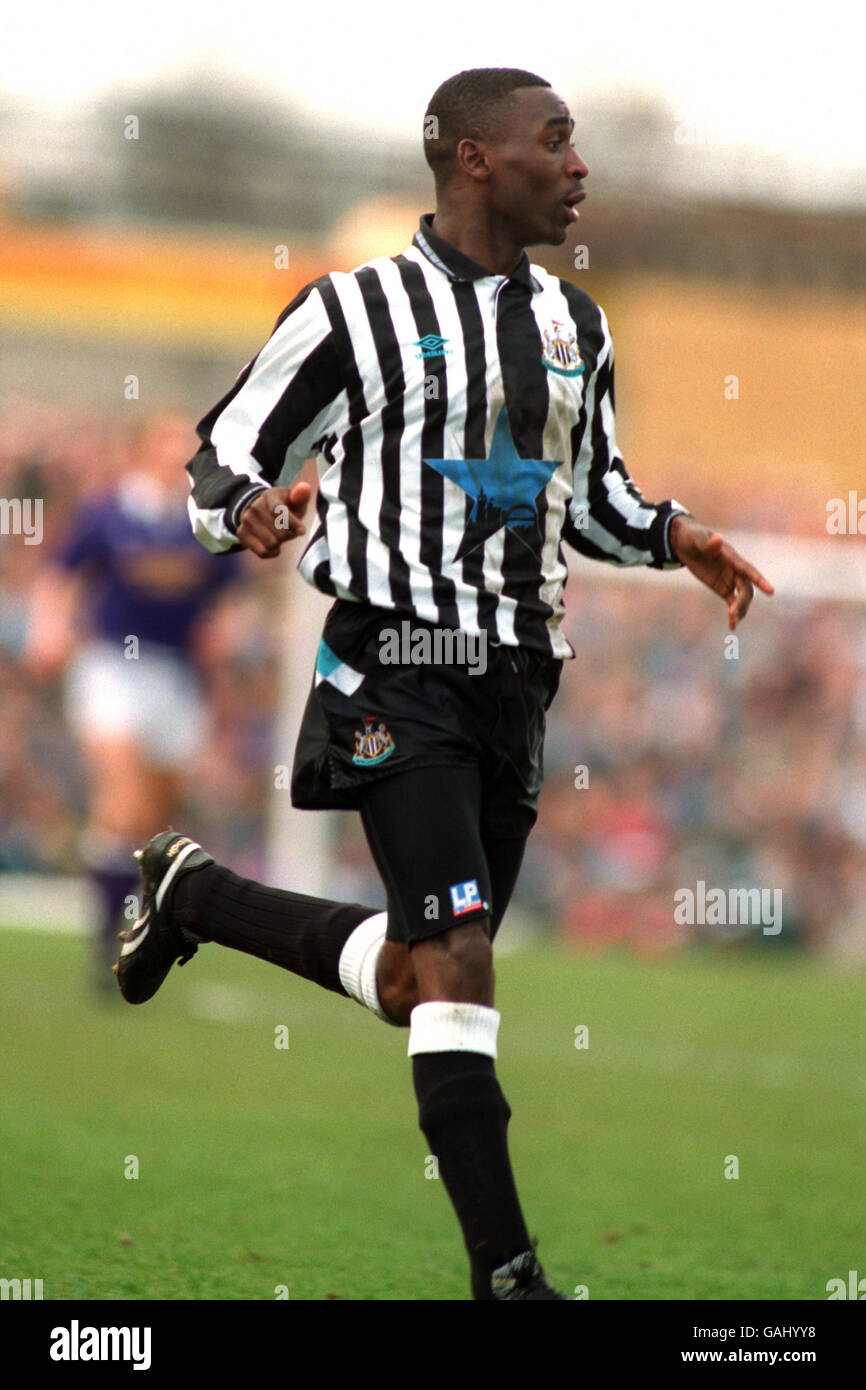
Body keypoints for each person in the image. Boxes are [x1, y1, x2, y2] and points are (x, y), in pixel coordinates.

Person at [114, 68, 774, 1299]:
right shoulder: (350, 311)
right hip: (393, 662)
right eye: (555, 142)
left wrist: (673, 534)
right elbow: (223, 449)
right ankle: (507, 1273)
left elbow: (590, 501)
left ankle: (196, 892)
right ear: (474, 158)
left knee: (421, 977)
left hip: (517, 683)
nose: (577, 167)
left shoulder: (579, 324)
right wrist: (251, 504)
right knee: (461, 956)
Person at [25, 411, 238, 990]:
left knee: (154, 823)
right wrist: (50, 628)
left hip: (177, 680)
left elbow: (224, 599)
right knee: (122, 801)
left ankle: (139, 929)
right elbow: (61, 573)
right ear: (141, 452)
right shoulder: (109, 512)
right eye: (167, 445)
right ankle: (105, 945)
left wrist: (222, 653)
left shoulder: (205, 524)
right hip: (113, 668)